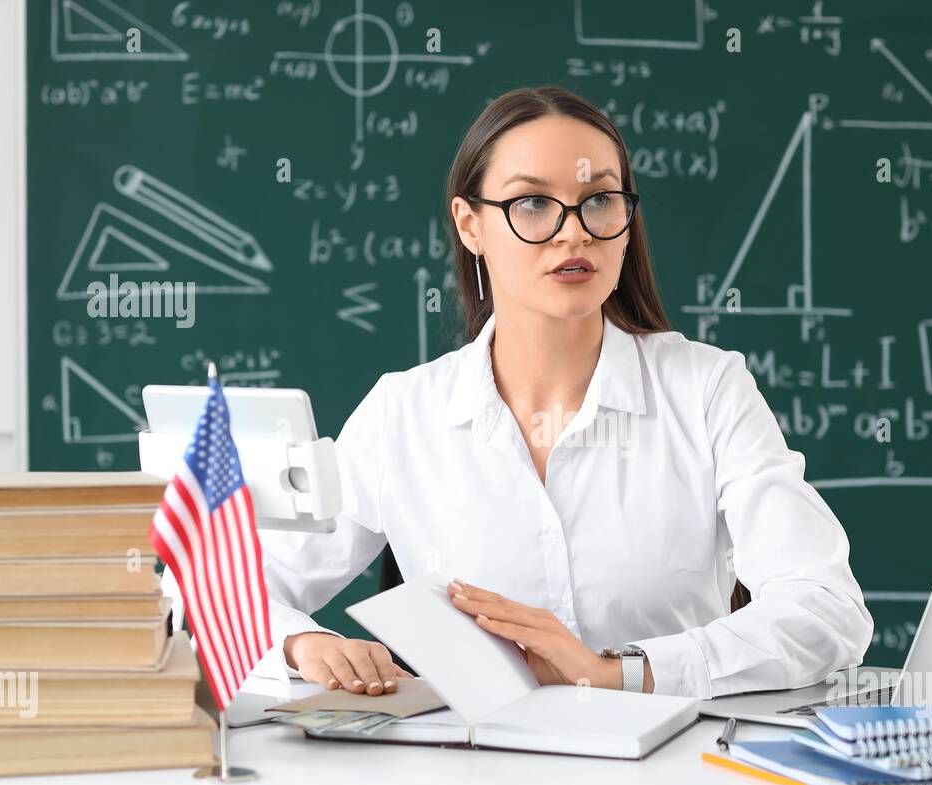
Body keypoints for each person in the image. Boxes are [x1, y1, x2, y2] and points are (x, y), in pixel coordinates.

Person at [251, 85, 873, 699]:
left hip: (679, 780)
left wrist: (618, 672)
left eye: (599, 199)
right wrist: (301, 645)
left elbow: (827, 610)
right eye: (531, 204)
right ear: (471, 226)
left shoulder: (707, 390)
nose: (573, 233)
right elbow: (235, 592)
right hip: (472, 778)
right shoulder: (404, 412)